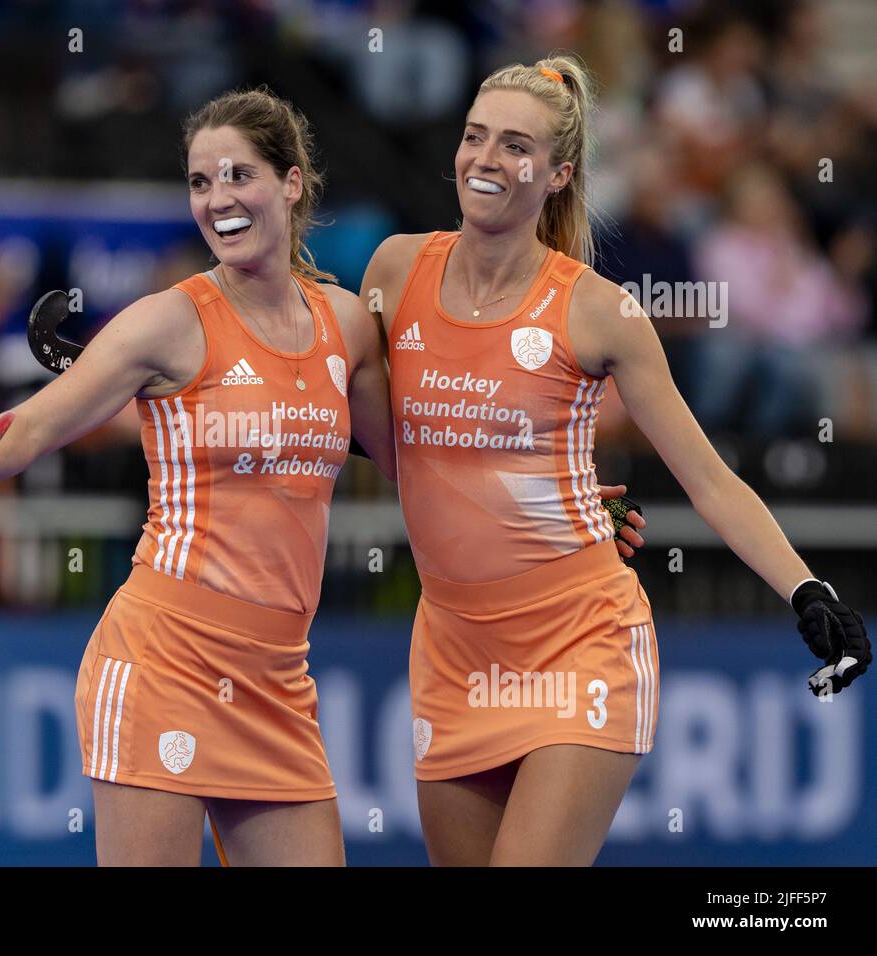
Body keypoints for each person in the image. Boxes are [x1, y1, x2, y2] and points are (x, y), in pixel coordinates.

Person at [360, 55, 870, 866]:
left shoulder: (600, 312)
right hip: (451, 645)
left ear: (558, 173)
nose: (485, 160)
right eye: (474, 137)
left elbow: (709, 477)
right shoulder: (393, 269)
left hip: (578, 639)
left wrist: (808, 587)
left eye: (515, 146)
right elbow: (376, 435)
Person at [0, 88, 397, 865]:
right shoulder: (166, 322)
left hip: (280, 679)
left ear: (291, 183)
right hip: (163, 660)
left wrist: (563, 497)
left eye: (238, 176)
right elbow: (41, 419)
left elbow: (417, 457)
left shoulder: (347, 326)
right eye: (199, 183)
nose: (218, 200)